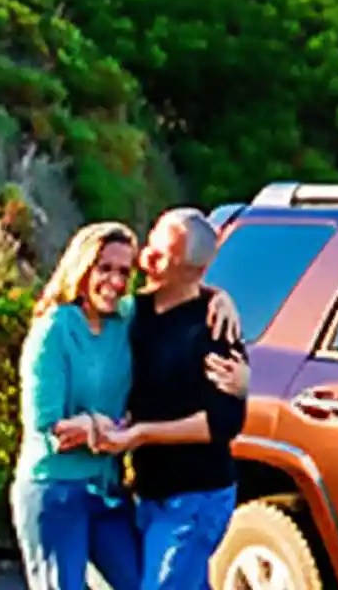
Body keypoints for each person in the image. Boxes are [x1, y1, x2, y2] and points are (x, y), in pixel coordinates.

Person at [10, 220, 245, 590]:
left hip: (108, 490)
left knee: (145, 583)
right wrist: (92, 427)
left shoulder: (126, 317)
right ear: (82, 267)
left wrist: (218, 296)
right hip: (55, 489)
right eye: (105, 268)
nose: (117, 281)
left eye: (124, 271)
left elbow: (184, 292)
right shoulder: (53, 330)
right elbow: (44, 424)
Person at [94, 208, 250, 590]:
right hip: (149, 492)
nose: (146, 258)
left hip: (198, 496)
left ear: (192, 269)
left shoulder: (213, 329)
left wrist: (143, 434)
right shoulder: (136, 312)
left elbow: (222, 422)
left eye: (161, 255)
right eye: (150, 245)